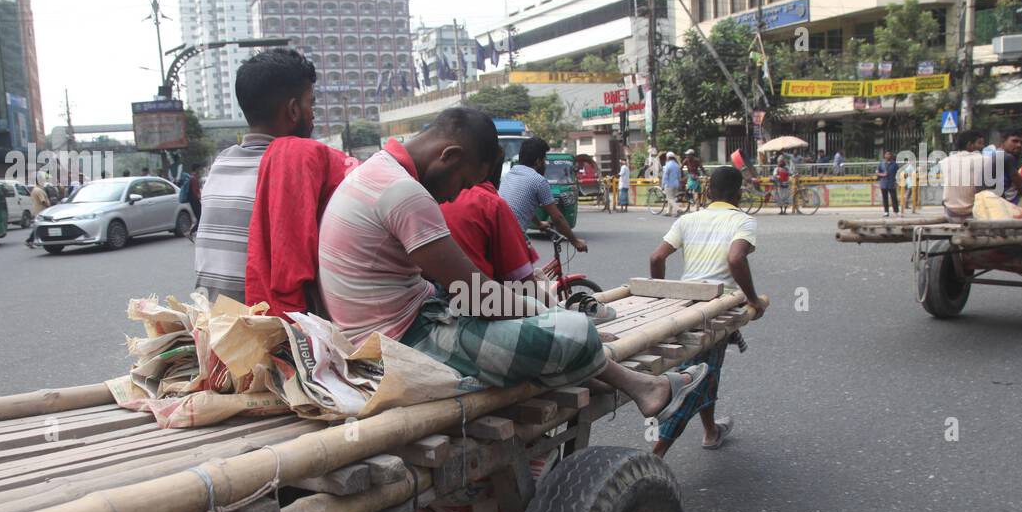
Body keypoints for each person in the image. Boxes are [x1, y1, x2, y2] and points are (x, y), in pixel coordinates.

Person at [317, 106, 708, 420]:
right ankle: (643, 386)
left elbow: (473, 296)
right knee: (575, 331)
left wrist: (535, 315)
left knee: (551, 327)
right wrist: (546, 315)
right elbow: (480, 297)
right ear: (449, 156)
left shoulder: (375, 172)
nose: (457, 196)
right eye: (464, 182)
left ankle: (639, 386)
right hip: (402, 340)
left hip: (390, 325)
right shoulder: (404, 192)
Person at [202, 48, 349, 311]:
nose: (313, 114)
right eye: (311, 103)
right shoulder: (297, 166)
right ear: (293, 110)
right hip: (262, 327)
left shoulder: (221, 162)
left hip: (214, 315)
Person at [647, 165, 764, 456]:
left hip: (685, 306)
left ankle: (711, 431)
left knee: (707, 371)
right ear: (739, 193)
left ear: (708, 191)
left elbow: (657, 257)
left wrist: (663, 296)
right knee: (695, 380)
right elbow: (736, 259)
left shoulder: (689, 219)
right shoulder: (743, 221)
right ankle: (657, 453)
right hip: (715, 312)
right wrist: (753, 300)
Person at [439, 147, 538, 285]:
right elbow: (522, 279)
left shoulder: (441, 194)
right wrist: (549, 305)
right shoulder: (492, 204)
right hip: (479, 296)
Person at [498, 136, 586, 252]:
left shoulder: (510, 175)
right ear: (538, 162)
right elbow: (557, 218)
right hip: (513, 239)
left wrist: (539, 223)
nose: (545, 164)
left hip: (498, 234)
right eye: (544, 160)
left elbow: (522, 208)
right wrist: (575, 241)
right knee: (529, 266)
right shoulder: (538, 180)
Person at [939, 130, 990, 221]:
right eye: (980, 143)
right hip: (973, 214)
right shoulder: (985, 160)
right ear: (970, 145)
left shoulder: (945, 161)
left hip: (950, 213)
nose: (983, 146)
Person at [24, 181, 50, 247]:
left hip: (37, 210)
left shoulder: (34, 190)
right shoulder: (39, 190)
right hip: (42, 210)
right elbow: (43, 201)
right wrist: (49, 207)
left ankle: (39, 240)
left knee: (41, 226)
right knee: (40, 226)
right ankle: (30, 240)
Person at [877, 150, 900, 216]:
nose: (888, 156)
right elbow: (877, 172)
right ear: (884, 155)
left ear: (891, 155)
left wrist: (896, 182)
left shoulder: (894, 164)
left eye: (889, 154)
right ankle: (886, 212)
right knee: (885, 198)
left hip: (892, 183)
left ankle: (896, 211)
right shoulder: (881, 163)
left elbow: (898, 174)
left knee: (894, 198)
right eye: (887, 154)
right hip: (884, 184)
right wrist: (882, 175)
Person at [660, 151, 682, 216]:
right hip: (676, 184)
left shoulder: (668, 165)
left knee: (669, 198)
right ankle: (669, 212)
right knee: (672, 198)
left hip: (669, 184)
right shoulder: (677, 165)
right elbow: (679, 176)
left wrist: (663, 185)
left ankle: (678, 209)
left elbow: (665, 176)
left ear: (668, 158)